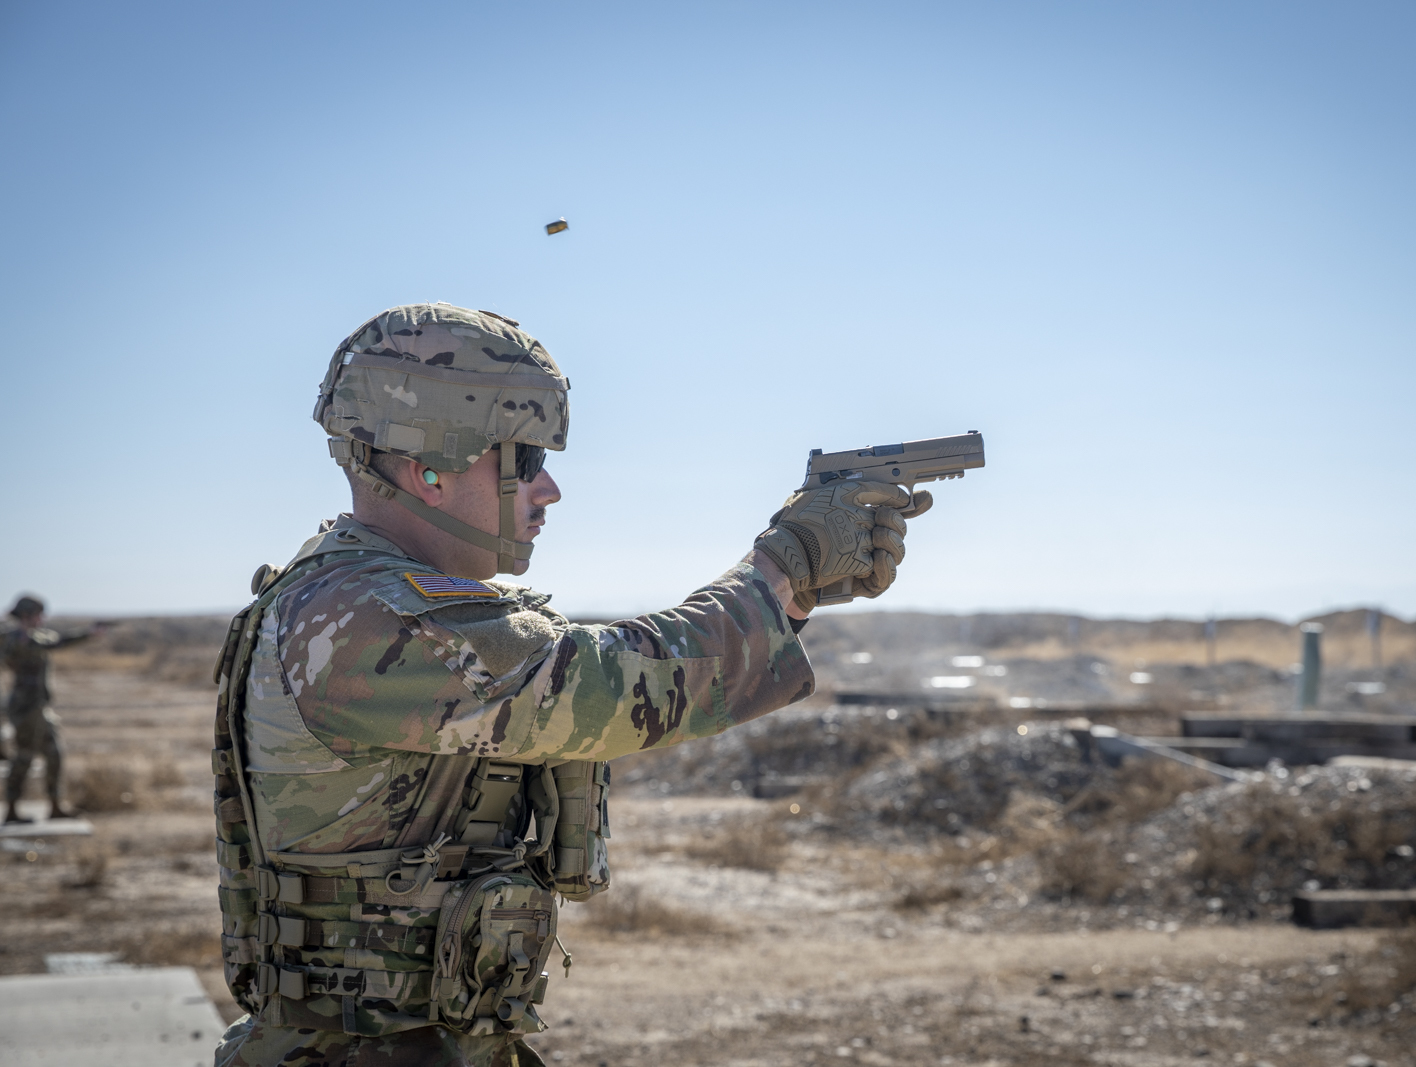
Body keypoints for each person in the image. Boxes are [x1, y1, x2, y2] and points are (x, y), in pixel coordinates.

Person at [213, 303, 933, 1066]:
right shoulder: (362, 616)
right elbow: (605, 688)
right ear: (429, 465)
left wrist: (786, 598)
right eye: (521, 459)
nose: (547, 488)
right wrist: (781, 570)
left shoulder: (362, 599)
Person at [2, 595, 104, 823]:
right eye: (37, 614)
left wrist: (88, 633)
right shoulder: (16, 638)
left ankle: (56, 805)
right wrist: (88, 634)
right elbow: (52, 643)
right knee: (24, 756)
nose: (42, 619)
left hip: (40, 707)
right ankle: (11, 808)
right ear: (28, 615)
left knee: (54, 753)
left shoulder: (33, 636)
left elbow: (55, 640)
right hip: (26, 709)